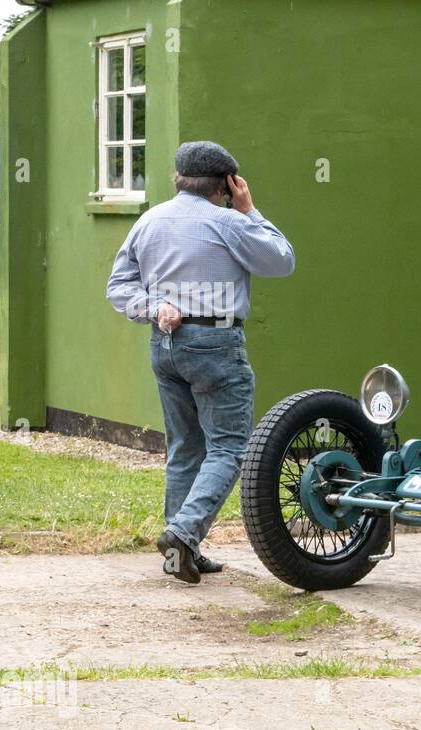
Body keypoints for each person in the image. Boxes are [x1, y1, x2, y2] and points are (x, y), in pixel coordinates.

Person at [106, 141, 295, 584]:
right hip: (215, 343)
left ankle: (181, 553)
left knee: (184, 447)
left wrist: (154, 307)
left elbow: (118, 286)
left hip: (165, 342)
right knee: (229, 447)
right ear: (226, 185)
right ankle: (183, 532)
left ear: (178, 179)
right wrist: (250, 210)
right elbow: (282, 260)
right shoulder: (230, 222)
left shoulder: (149, 221)